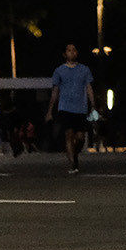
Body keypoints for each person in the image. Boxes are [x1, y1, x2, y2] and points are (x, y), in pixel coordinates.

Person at [47, 43, 96, 175]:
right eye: (69, 50)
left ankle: (74, 155)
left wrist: (93, 105)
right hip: (65, 108)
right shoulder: (59, 71)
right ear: (65, 54)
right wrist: (50, 110)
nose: (72, 52)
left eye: (74, 50)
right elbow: (55, 91)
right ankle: (73, 164)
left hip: (80, 108)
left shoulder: (84, 70)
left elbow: (89, 88)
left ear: (77, 53)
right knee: (68, 135)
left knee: (80, 137)